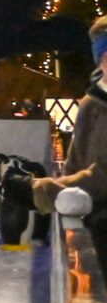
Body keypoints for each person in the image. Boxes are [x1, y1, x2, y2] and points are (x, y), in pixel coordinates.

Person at [34, 14, 107, 223]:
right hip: (94, 221)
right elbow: (75, 162)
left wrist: (42, 191)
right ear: (99, 61)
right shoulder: (92, 103)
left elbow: (103, 178)